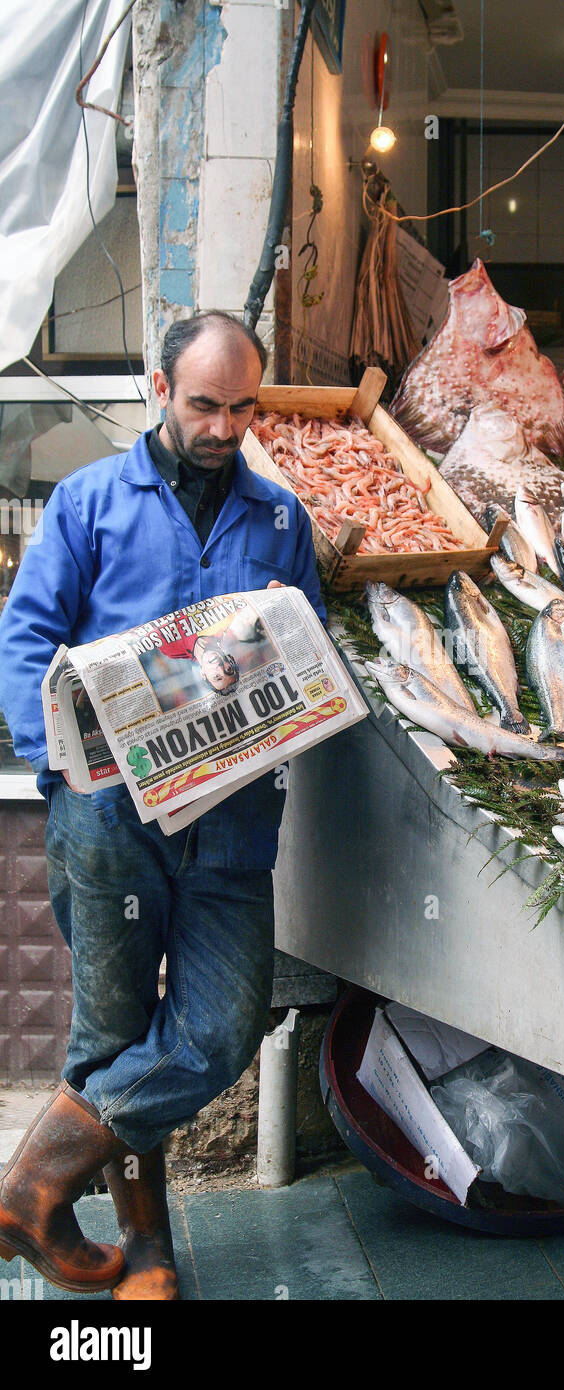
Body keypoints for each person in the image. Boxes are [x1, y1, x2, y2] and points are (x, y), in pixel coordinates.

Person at [0, 311, 326, 1300]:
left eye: (241, 407)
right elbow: (26, 636)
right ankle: (147, 1253)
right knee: (111, 1033)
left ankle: (30, 1188)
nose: (224, 426)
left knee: (220, 1027)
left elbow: (305, 643)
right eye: (203, 404)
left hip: (230, 822)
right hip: (105, 817)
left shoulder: (280, 519)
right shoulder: (91, 501)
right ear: (155, 387)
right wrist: (54, 759)